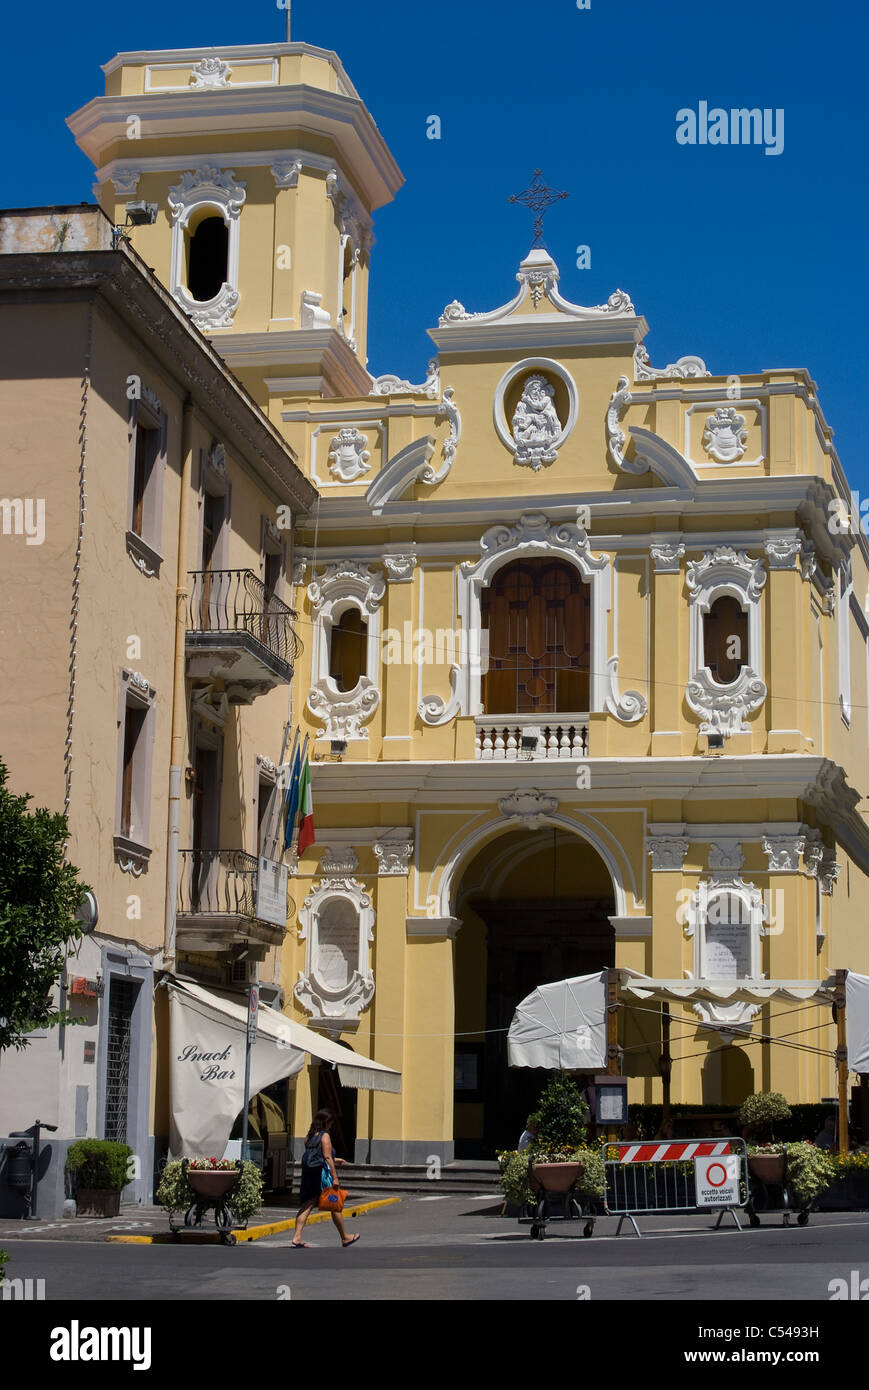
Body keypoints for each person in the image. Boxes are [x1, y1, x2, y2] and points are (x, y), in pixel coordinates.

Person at [291, 1109, 359, 1248]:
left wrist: (337, 1159)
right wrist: (335, 1178)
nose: (332, 1125)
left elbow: (317, 1155)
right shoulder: (325, 1136)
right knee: (334, 1204)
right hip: (322, 1177)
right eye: (331, 1122)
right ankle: (345, 1237)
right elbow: (326, 1157)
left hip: (309, 1175)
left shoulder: (308, 1137)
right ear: (326, 1122)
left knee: (308, 1205)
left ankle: (297, 1237)